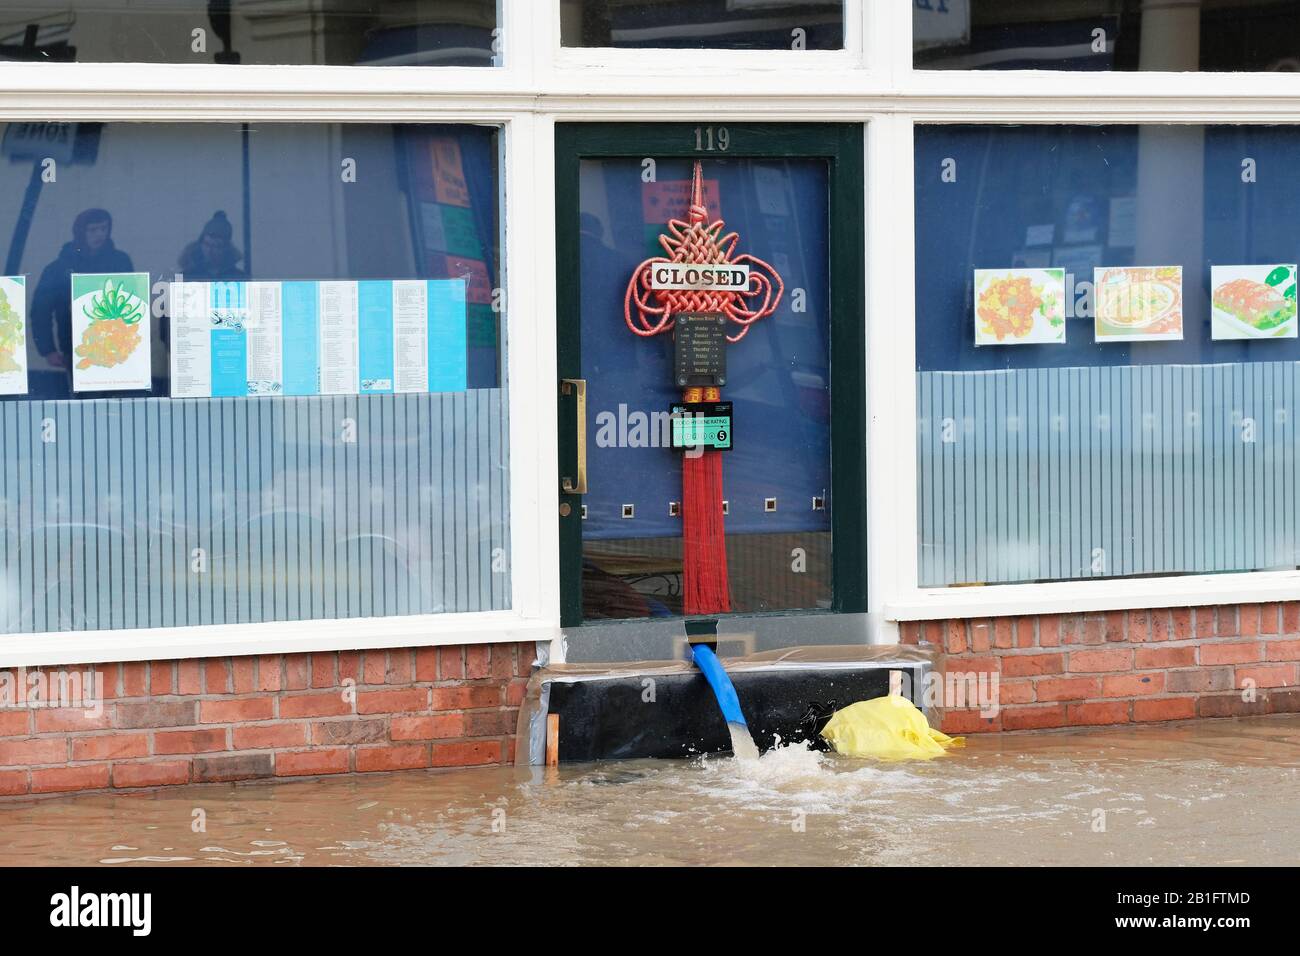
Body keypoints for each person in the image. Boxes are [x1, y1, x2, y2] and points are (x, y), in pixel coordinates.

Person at [29, 208, 134, 397]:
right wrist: (48, 350)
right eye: (93, 230)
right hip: (77, 348)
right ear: (81, 232)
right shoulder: (60, 267)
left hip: (118, 348)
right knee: (86, 404)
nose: (99, 235)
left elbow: (133, 304)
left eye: (103, 228)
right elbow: (40, 311)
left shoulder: (120, 262)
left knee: (117, 404)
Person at [177, 210, 247, 281]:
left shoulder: (238, 278)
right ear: (200, 244)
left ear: (226, 248)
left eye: (216, 246)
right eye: (207, 244)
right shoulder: (183, 277)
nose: (210, 250)